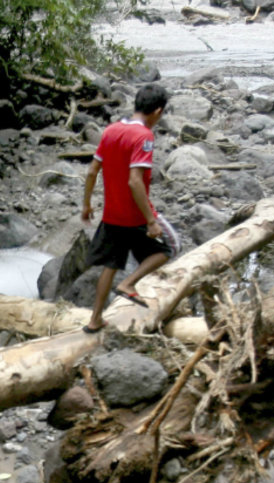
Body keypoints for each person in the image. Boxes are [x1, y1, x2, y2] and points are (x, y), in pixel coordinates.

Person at [80, 83, 174, 334]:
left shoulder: (111, 130)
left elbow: (92, 170)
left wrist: (87, 204)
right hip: (134, 216)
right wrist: (150, 221)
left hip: (112, 214)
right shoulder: (144, 137)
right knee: (169, 248)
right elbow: (135, 181)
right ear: (157, 111)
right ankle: (129, 283)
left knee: (110, 265)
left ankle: (95, 320)